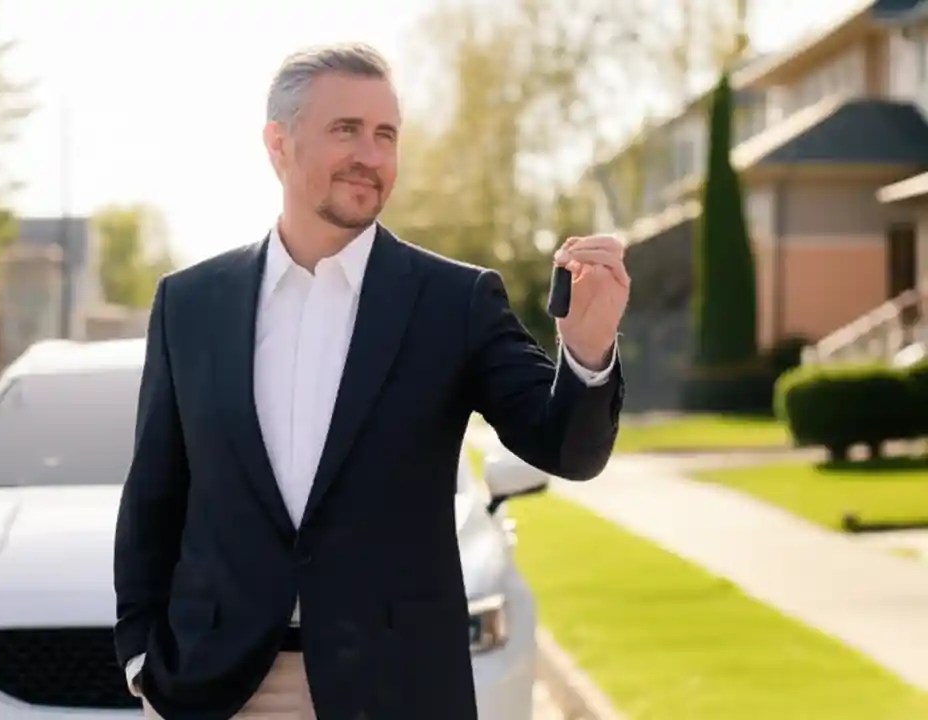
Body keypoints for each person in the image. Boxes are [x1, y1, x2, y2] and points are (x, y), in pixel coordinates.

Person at [114, 42, 628, 720]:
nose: (370, 155)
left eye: (386, 134)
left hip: (395, 688)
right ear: (279, 143)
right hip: (217, 690)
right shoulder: (190, 303)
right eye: (346, 130)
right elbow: (154, 496)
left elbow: (566, 448)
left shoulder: (455, 302)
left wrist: (587, 350)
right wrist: (140, 659)